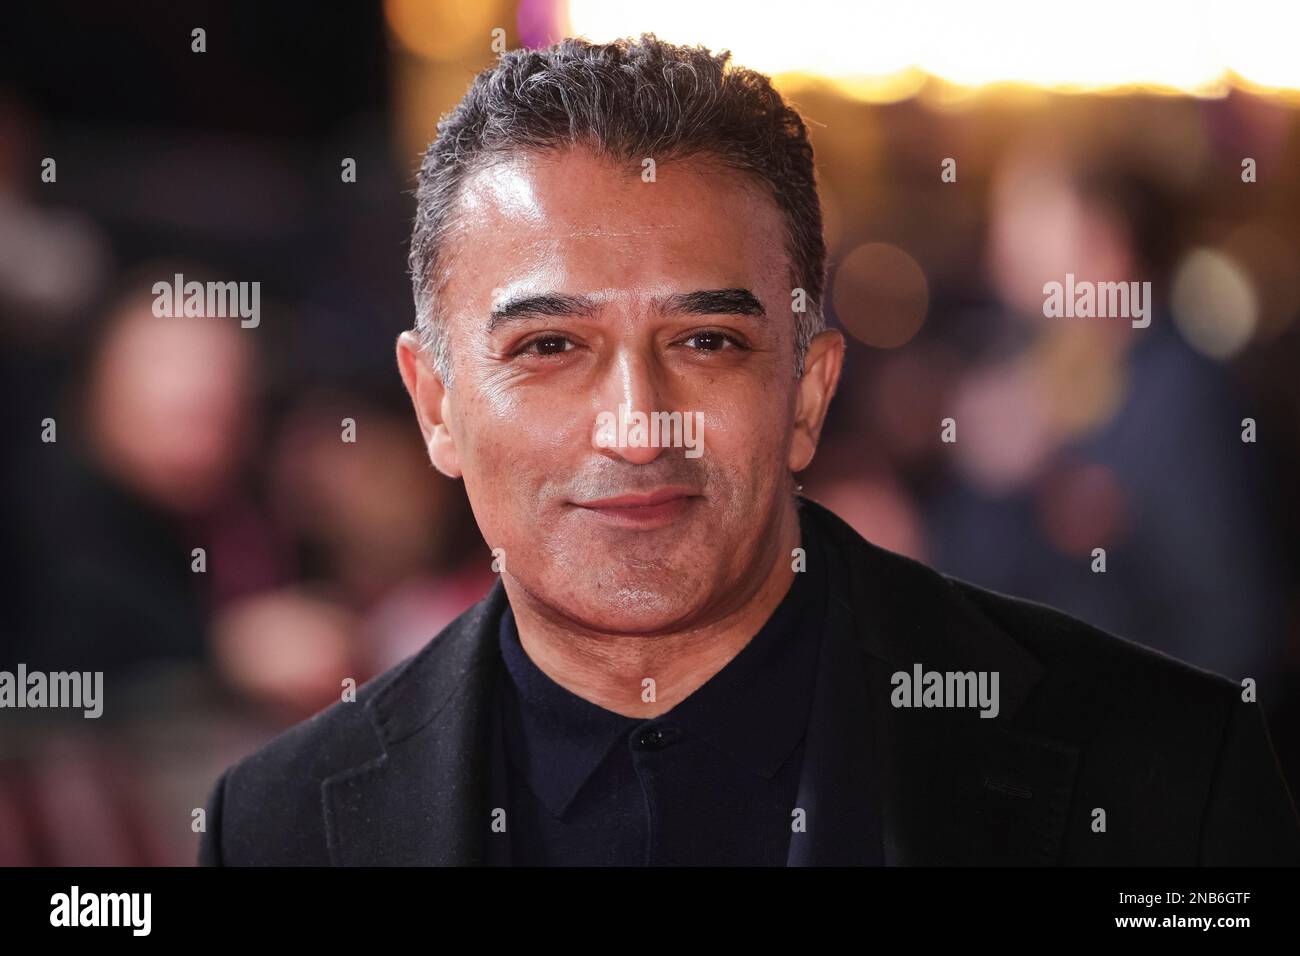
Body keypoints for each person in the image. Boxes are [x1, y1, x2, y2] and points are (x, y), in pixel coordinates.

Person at [199, 34, 1300, 866]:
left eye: (707, 339)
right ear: (435, 403)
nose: (635, 426)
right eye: (548, 345)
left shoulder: (1162, 771)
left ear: (809, 391)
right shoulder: (278, 826)